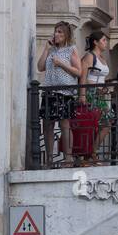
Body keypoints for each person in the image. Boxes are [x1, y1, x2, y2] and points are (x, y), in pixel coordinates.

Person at [35, 21, 81, 165]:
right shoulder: (51, 50)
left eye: (60, 32)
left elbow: (78, 71)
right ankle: (49, 158)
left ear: (66, 34)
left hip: (64, 92)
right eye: (56, 31)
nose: (57, 34)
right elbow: (40, 67)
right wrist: (46, 49)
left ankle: (68, 158)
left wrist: (61, 63)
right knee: (47, 124)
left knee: (64, 124)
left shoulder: (71, 49)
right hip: (49, 91)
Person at [76, 30, 111, 165]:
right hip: (92, 94)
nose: (105, 43)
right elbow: (84, 77)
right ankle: (87, 155)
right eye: (103, 40)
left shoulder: (102, 58)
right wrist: (82, 94)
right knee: (93, 125)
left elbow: (102, 77)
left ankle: (92, 152)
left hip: (101, 95)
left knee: (106, 124)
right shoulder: (90, 57)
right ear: (95, 42)